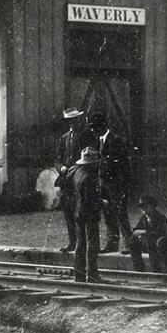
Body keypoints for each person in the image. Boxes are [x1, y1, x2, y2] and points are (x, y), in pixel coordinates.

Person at [87, 111, 134, 253]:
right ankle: (112, 244)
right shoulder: (98, 141)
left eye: (95, 127)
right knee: (108, 215)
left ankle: (129, 245)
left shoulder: (117, 140)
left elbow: (124, 166)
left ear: (101, 127)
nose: (93, 131)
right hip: (103, 185)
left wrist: (123, 187)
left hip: (116, 185)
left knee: (121, 215)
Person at [65, 146, 105, 282]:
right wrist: (103, 203)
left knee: (80, 243)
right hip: (89, 214)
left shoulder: (76, 173)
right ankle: (92, 274)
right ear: (93, 163)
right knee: (92, 243)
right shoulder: (90, 177)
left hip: (77, 212)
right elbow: (91, 200)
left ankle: (79, 274)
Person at [54, 107, 86, 252]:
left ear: (78, 120)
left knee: (80, 211)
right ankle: (72, 242)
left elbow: (88, 156)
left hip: (79, 177)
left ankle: (81, 242)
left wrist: (76, 167)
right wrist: (61, 168)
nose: (72, 123)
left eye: (74, 120)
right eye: (69, 121)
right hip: (66, 178)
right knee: (68, 211)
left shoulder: (85, 136)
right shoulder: (64, 138)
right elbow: (58, 158)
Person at [129, 194, 167, 273]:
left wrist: (145, 233)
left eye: (145, 206)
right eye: (141, 207)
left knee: (151, 242)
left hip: (157, 243)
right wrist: (139, 235)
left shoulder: (160, 217)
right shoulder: (144, 218)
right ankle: (139, 270)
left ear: (152, 206)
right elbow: (136, 230)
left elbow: (161, 232)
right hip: (145, 242)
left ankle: (156, 270)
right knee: (133, 243)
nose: (143, 209)